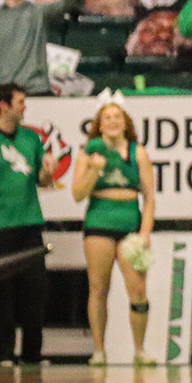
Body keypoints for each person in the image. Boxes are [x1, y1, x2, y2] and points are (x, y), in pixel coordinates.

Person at [0, 85, 56, 368]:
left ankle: (32, 353)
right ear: (3, 106)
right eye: (20, 102)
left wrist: (47, 172)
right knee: (0, 293)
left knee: (35, 290)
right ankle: (2, 353)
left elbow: (40, 181)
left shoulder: (31, 138)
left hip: (30, 224)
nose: (25, 106)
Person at [71, 98, 158, 366]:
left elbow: (150, 196)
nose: (112, 121)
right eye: (106, 117)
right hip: (99, 223)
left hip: (130, 224)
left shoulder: (138, 152)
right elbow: (77, 194)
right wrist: (94, 170)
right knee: (98, 288)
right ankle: (99, 349)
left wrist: (145, 232)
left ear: (125, 122)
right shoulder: (88, 154)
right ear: (99, 124)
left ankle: (140, 349)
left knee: (138, 290)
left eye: (117, 117)